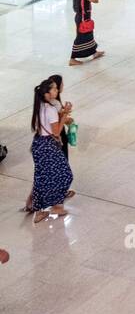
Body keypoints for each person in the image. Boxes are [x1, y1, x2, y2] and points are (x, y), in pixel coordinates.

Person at [30, 79, 74, 224]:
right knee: (65, 175)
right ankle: (55, 205)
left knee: (41, 177)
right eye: (54, 89)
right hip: (48, 146)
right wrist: (65, 114)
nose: (57, 91)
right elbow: (56, 132)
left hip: (38, 144)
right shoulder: (50, 109)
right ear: (47, 93)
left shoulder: (40, 106)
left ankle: (40, 211)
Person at [69, 0, 105, 65]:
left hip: (80, 17)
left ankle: (94, 52)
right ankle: (72, 59)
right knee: (80, 38)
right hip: (83, 19)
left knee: (89, 35)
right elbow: (96, 0)